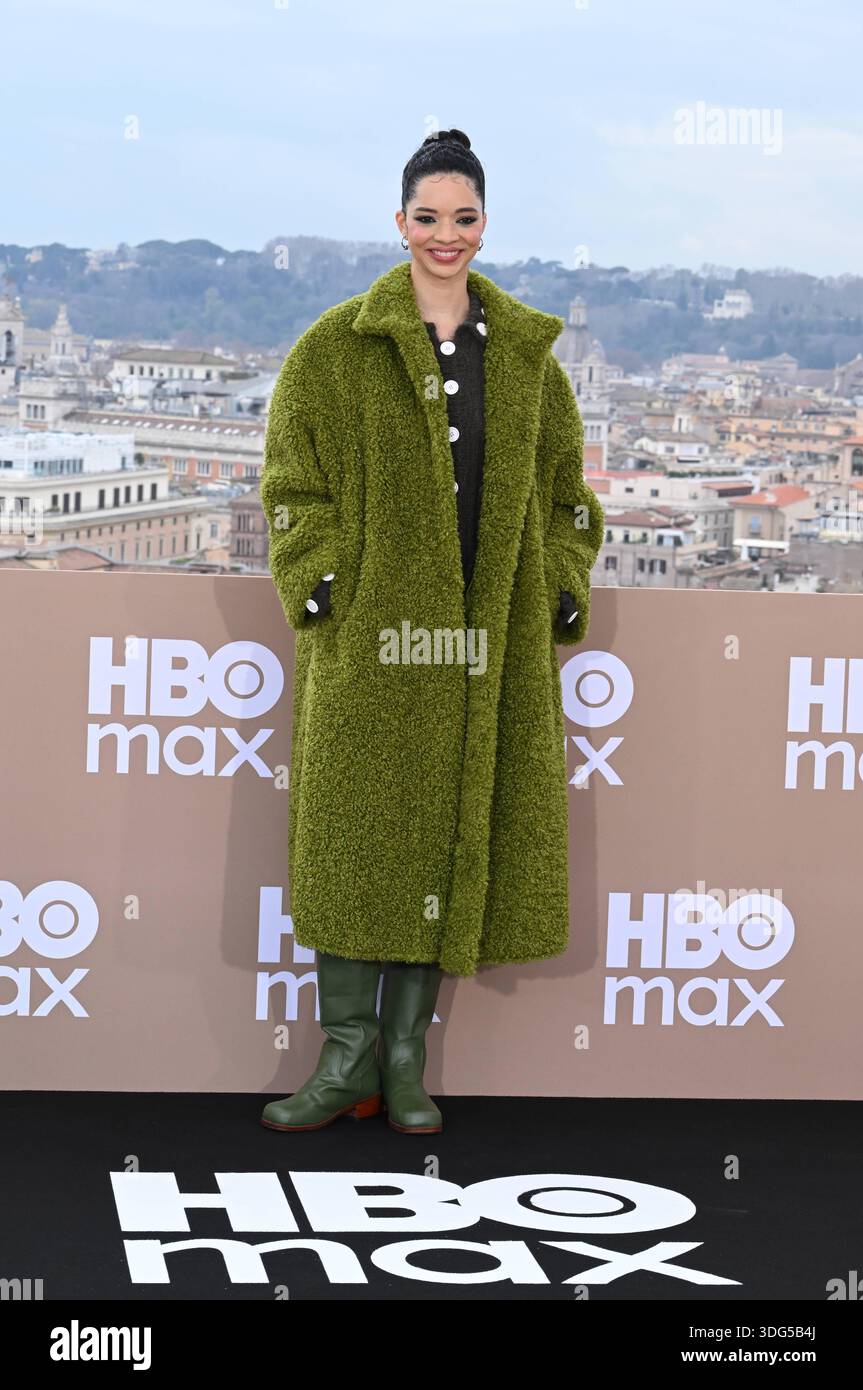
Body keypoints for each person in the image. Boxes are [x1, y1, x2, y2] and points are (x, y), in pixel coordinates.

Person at [259, 128, 605, 1135]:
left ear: (483, 226)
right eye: (426, 217)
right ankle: (344, 1058)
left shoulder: (531, 363)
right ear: (399, 222)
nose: (444, 236)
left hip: (482, 647)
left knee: (440, 843)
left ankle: (402, 1061)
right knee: (350, 848)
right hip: (369, 645)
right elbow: (291, 482)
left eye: (461, 219)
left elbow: (566, 500)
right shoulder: (333, 347)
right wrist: (321, 584)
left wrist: (557, 586)